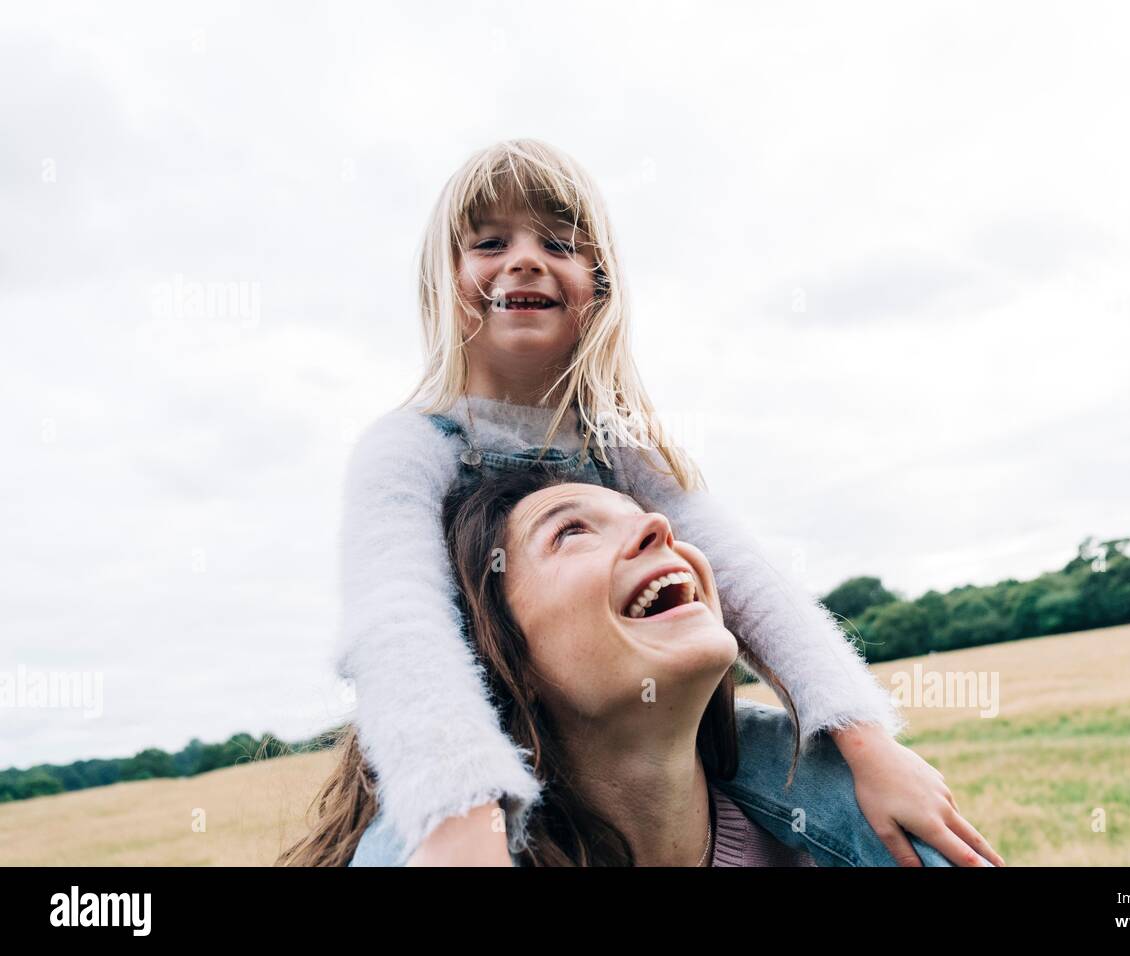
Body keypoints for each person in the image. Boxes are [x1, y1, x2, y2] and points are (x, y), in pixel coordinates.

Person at [322, 138, 1003, 868]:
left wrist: (868, 742)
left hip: (650, 737)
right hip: (472, 746)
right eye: (490, 242)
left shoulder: (625, 445)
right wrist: (458, 807)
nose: (524, 259)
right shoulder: (409, 444)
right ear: (443, 283)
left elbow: (743, 581)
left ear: (601, 285)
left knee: (855, 790)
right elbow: (396, 622)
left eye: (559, 242)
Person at [283, 469, 983, 866]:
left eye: (645, 516)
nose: (661, 530)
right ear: (498, 658)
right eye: (572, 531)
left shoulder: (840, 826)